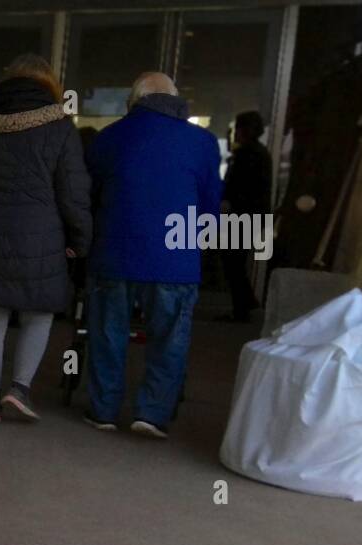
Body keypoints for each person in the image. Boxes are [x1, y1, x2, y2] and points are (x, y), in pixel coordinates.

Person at [0, 54, 91, 423]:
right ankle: (20, 389)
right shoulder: (61, 128)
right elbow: (73, 194)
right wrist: (81, 240)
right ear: (50, 86)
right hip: (41, 241)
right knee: (38, 315)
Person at [83, 72, 221, 439]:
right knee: (169, 339)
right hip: (174, 259)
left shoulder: (108, 138)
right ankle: (152, 413)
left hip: (114, 252)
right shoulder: (203, 142)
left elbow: (90, 199)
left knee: (107, 335)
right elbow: (210, 208)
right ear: (175, 99)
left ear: (134, 101)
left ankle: (103, 410)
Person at [217, 110, 271, 322]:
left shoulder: (248, 155)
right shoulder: (257, 153)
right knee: (235, 262)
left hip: (242, 217)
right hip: (250, 217)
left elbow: (237, 187)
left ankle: (243, 305)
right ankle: (244, 304)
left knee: (233, 262)